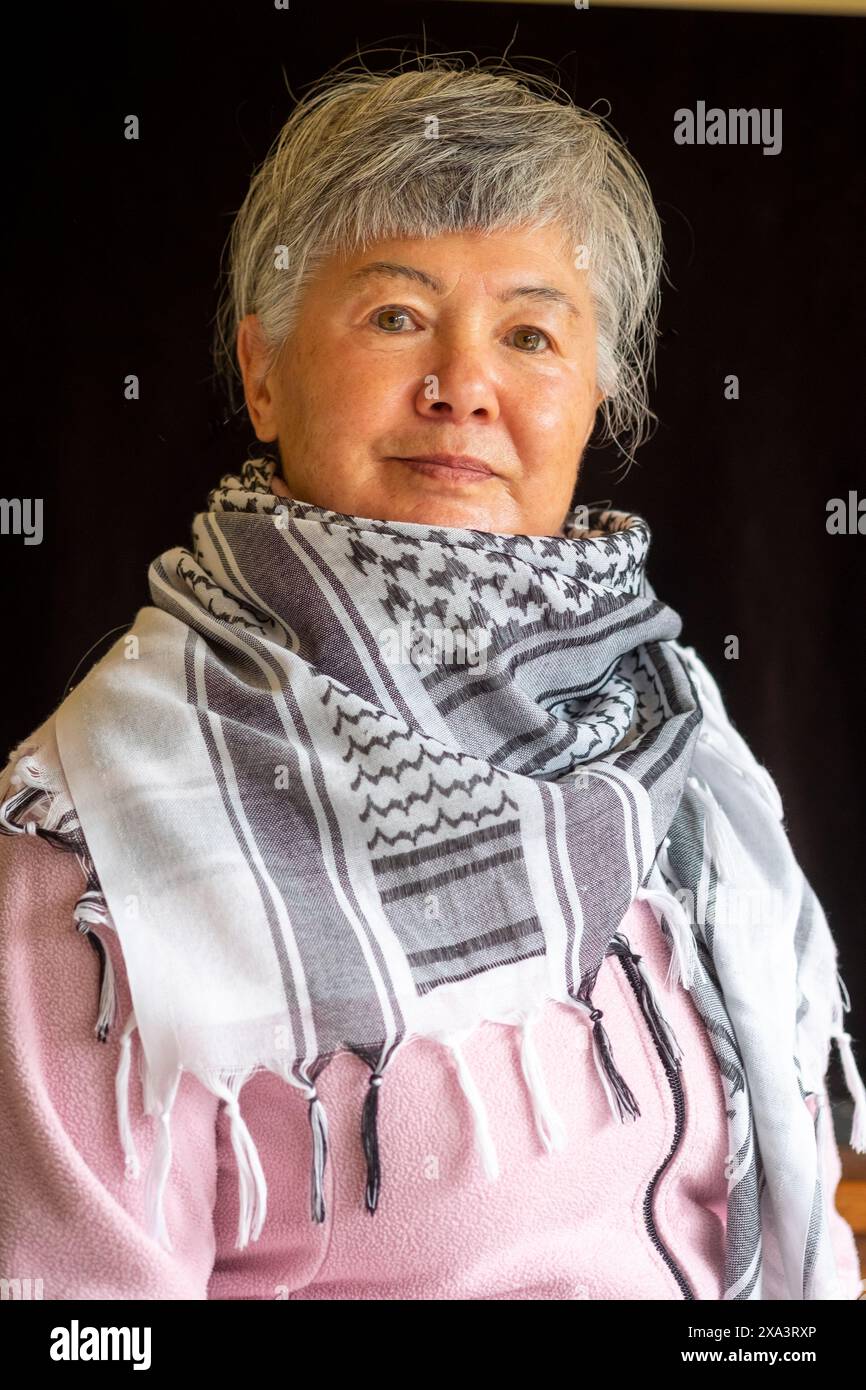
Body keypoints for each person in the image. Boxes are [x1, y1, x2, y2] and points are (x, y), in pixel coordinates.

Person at [1, 55, 863, 1302]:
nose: (464, 386)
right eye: (397, 315)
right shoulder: (94, 839)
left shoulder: (663, 723)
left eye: (528, 332)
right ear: (261, 370)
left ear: (593, 395)